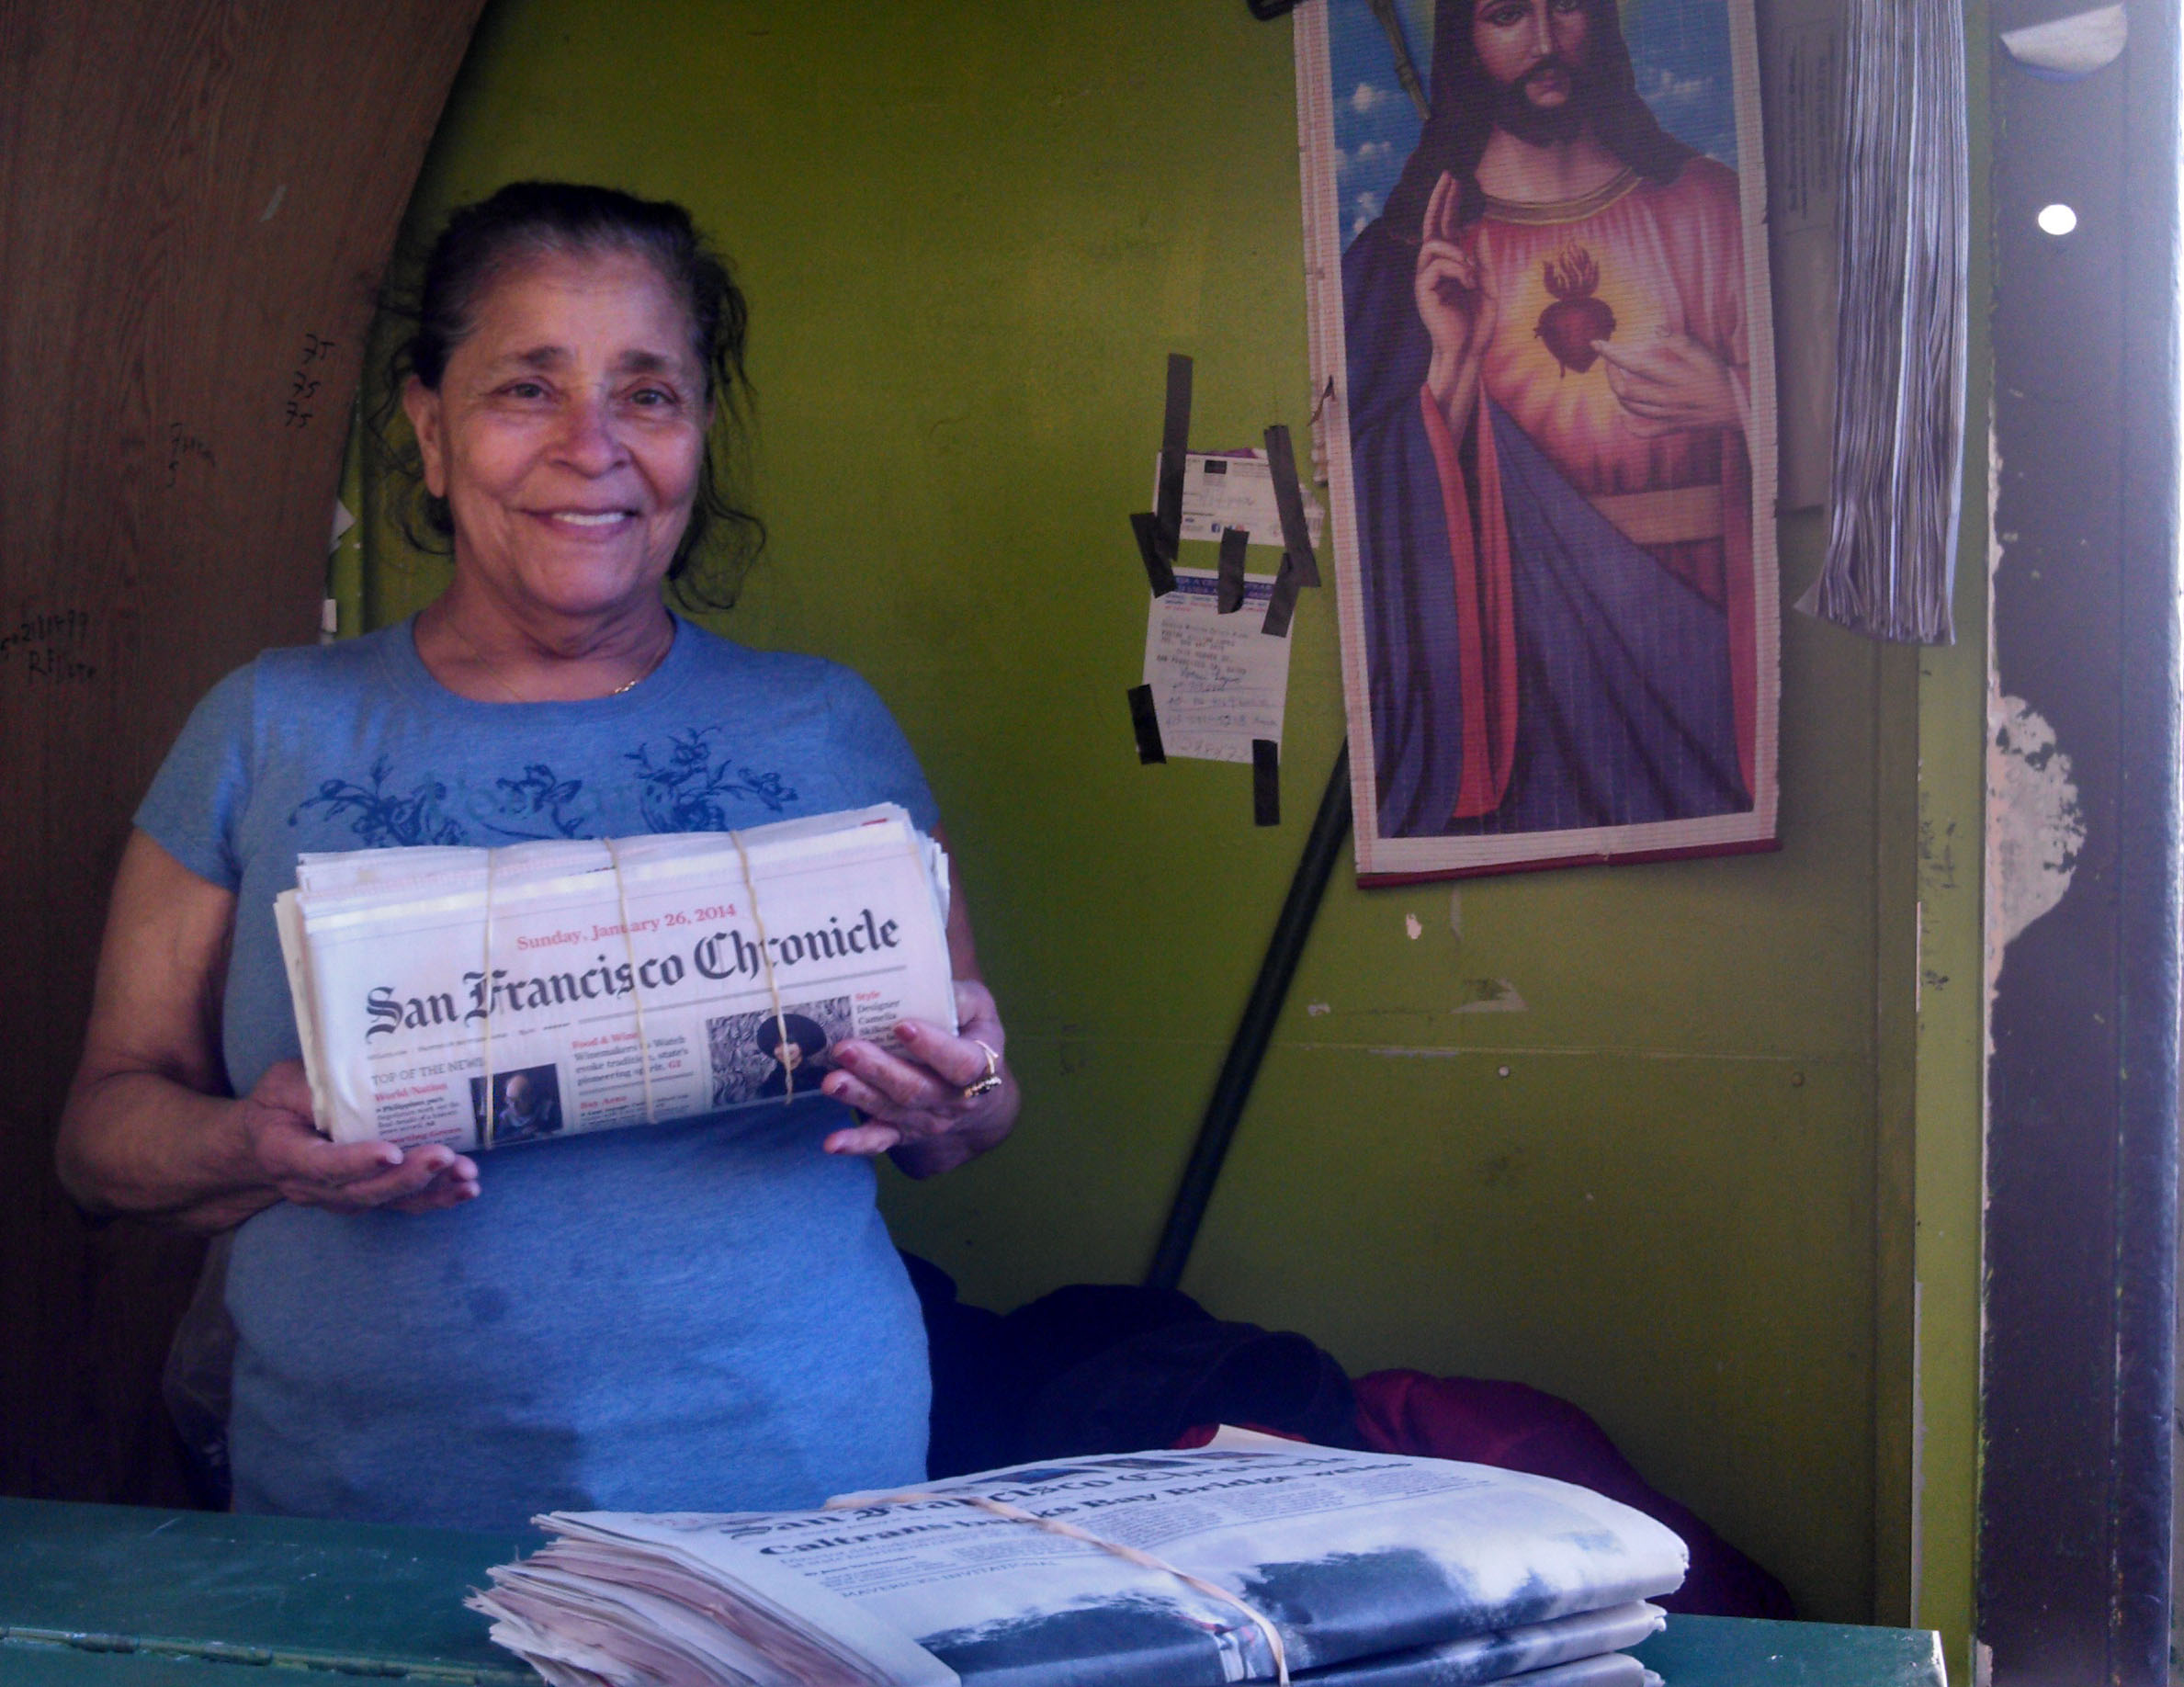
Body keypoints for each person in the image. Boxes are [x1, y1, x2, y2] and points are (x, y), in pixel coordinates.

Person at [55, 183, 1020, 1529]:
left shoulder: (825, 726)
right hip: (362, 1512)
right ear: (430, 430)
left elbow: (963, 1110)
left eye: (649, 394)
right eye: (526, 389)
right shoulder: (269, 724)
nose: (594, 448)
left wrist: (957, 1095)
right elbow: (100, 1137)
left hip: (789, 1499)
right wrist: (252, 1145)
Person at [1342, 0, 1756, 838]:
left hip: (1702, 668)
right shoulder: (1408, 264)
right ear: (1463, 40)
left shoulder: (1713, 210)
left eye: (1564, 6)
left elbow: (1845, 436)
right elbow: (1362, 502)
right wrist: (1450, 366)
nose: (1543, 42)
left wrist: (1737, 402)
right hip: (1527, 688)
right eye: (1504, 15)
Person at [753, 1013, 830, 1101]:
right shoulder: (772, 1082)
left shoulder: (819, 1075)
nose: (784, 1050)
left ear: (802, 1045)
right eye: (777, 1045)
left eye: (789, 1043)